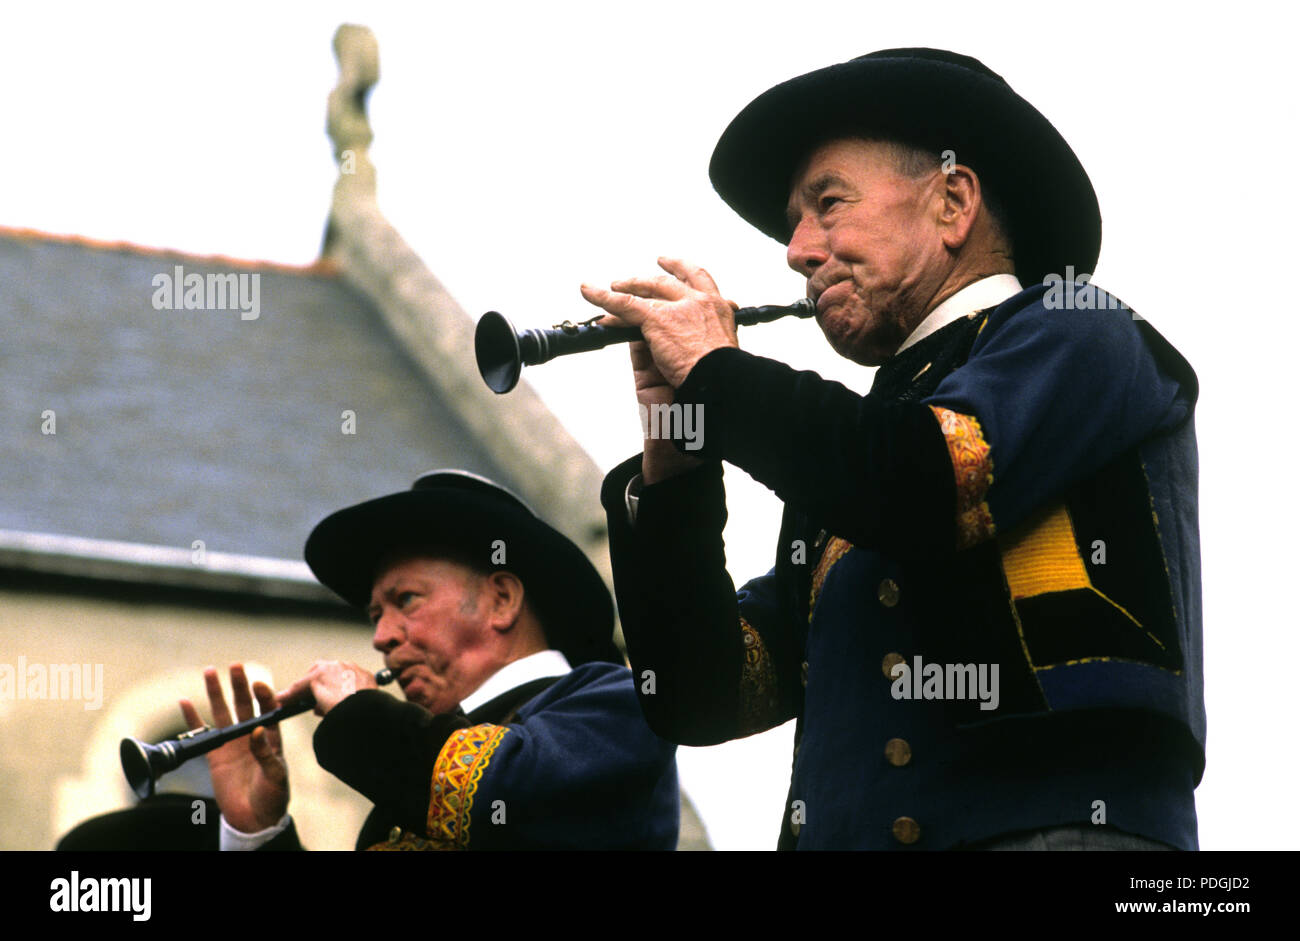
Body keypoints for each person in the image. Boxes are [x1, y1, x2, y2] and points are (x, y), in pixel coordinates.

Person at [580, 48, 1203, 850]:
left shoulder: (1081, 331)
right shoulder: (857, 448)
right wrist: (679, 445)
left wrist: (719, 374)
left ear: (952, 202)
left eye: (827, 204)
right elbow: (705, 697)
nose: (797, 250)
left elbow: (923, 480)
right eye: (793, 223)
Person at [183, 470, 680, 850]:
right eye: (375, 614)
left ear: (501, 600)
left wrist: (360, 713)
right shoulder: (412, 765)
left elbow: (501, 788)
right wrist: (258, 833)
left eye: (406, 601)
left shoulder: (620, 704)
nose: (380, 637)